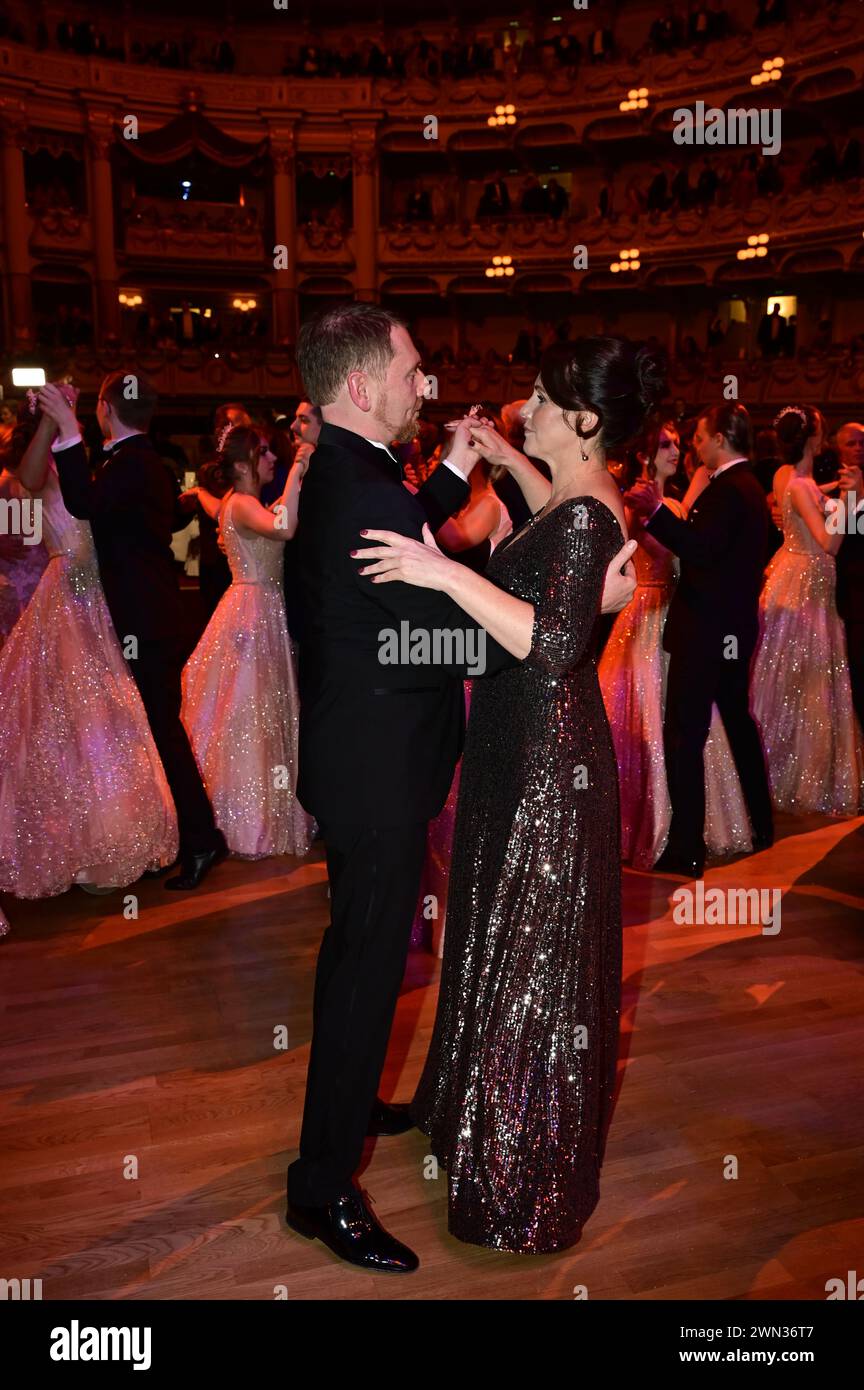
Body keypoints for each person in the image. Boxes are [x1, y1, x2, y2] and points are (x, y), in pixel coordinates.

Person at [285, 305, 638, 1273]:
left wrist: (466, 491)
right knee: (365, 969)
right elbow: (431, 636)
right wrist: (557, 615)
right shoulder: (363, 491)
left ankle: (352, 1106)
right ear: (363, 386)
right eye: (409, 370)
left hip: (366, 758)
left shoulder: (348, 467)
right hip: (378, 771)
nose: (423, 384)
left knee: (358, 953)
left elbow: (424, 569)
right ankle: (321, 1187)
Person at [38, 373, 227, 891]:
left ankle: (202, 839)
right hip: (148, 614)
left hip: (146, 620)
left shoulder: (135, 463)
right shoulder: (138, 461)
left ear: (106, 409)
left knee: (164, 732)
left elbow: (82, 502)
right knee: (154, 732)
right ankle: (181, 835)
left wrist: (65, 428)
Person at [0, 397, 177, 934]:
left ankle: (105, 842)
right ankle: (72, 844)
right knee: (65, 724)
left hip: (103, 596)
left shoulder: (81, 463)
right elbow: (27, 493)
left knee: (108, 720)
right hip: (66, 597)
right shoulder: (24, 474)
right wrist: (59, 418)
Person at [627, 402, 774, 877]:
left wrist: (654, 513)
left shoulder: (727, 489)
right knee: (736, 720)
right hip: (731, 626)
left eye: (702, 435)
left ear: (721, 437)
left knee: (684, 736)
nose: (696, 444)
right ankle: (762, 823)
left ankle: (686, 849)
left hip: (706, 630)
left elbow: (702, 551)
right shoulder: (750, 486)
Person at [599, 421, 752, 867]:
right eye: (665, 444)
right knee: (647, 719)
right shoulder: (633, 504)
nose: (676, 450)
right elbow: (658, 553)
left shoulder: (678, 503)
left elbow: (694, 555)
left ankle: (685, 832)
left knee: (685, 727)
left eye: (678, 443)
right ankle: (650, 825)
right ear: (646, 452)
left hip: (684, 614)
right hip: (647, 611)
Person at [180, 426, 314, 858]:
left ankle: (259, 812)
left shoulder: (245, 504)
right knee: (251, 717)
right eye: (263, 453)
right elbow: (284, 526)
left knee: (259, 715)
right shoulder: (240, 504)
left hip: (258, 611)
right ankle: (248, 820)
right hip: (253, 614)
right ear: (242, 466)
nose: (272, 458)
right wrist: (298, 468)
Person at [751, 407, 864, 814]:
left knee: (784, 674)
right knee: (809, 677)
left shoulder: (786, 477)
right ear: (816, 439)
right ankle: (799, 774)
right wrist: (853, 497)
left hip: (788, 572)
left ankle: (767, 768)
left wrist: (836, 490)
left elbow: (809, 492)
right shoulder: (799, 485)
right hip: (808, 581)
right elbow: (829, 542)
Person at [835, 422, 864, 732]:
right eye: (851, 443)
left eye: (862, 443)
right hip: (834, 585)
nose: (858, 448)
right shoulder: (825, 483)